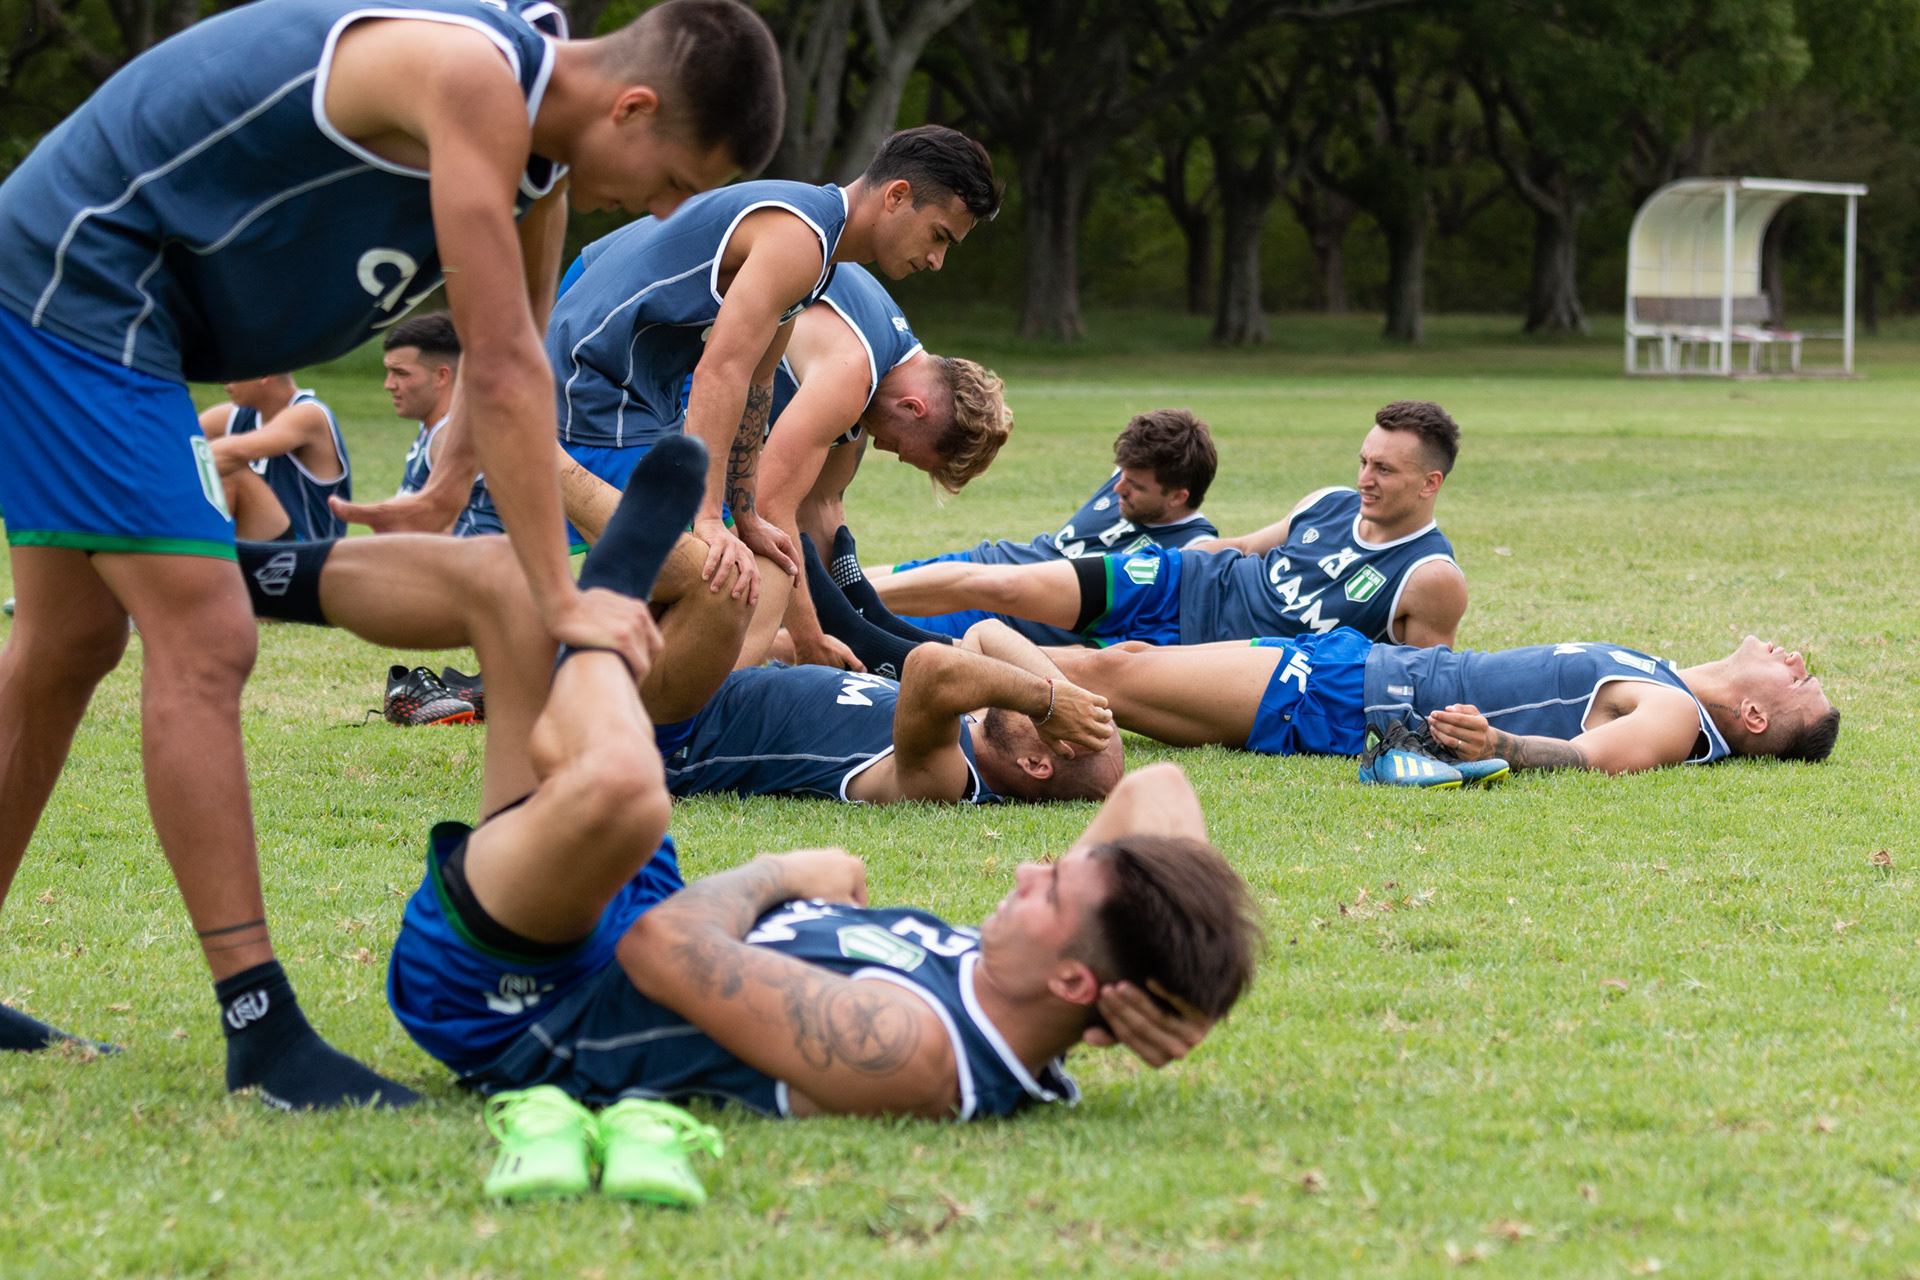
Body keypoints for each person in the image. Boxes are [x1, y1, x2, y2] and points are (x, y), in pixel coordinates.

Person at [0, 0, 783, 1106]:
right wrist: (560, 592)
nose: (655, 212)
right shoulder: (473, 79)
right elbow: (506, 366)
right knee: (203, 633)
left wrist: (451, 481)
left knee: (72, 637)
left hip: (137, 307)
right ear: (633, 104)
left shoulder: (543, 157)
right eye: (666, 180)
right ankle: (262, 1035)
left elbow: (513, 332)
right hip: (79, 276)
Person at [348, 126, 1003, 619]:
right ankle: (506, 588)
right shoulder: (800, 238)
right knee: (691, 566)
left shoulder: (819, 245)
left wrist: (742, 511)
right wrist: (709, 517)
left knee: (691, 561)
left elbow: (755, 386)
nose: (937, 260)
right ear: (896, 196)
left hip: (634, 379)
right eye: (940, 235)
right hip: (597, 368)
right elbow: (721, 370)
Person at [873, 400, 1470, 650]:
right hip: (1184, 579)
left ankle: (822, 639)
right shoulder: (1330, 502)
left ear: (1429, 483)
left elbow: (1415, 683)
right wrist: (1189, 553)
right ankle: (831, 598)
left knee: (1057, 664)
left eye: (1384, 470)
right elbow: (1235, 547)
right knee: (999, 584)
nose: (1365, 478)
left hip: (1207, 650)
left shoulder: (1430, 577)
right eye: (1364, 461)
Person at [1042, 628, 1842, 785]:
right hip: (1357, 665)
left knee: (1108, 676)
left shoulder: (1676, 716)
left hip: (1346, 698)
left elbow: (1593, 760)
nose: (1796, 660)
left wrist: (1502, 744)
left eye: (1799, 682)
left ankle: (930, 669)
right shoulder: (1668, 673)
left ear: (1757, 721)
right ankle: (930, 668)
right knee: (1125, 667)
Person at [748, 263, 1011, 669]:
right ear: (912, 408)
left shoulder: (886, 360)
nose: (884, 447)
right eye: (899, 446)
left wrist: (864, 613)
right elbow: (767, 509)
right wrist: (811, 639)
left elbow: (823, 511)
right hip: (646, 385)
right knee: (739, 585)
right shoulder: (853, 373)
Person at [659, 617, 1121, 805]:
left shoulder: (944, 777)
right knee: (763, 556)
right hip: (710, 678)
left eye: (1067, 727)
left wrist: (1049, 703)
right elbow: (987, 632)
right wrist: (1065, 694)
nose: (1059, 709)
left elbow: (931, 666)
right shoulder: (974, 718)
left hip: (674, 733)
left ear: (1036, 764)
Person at [875, 408, 1220, 648]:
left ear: (1178, 496)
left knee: (841, 621)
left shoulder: (1189, 556)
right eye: (1121, 474)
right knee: (840, 578)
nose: (1118, 488)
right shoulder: (1133, 477)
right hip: (970, 566)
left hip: (993, 620)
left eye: (1136, 486)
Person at [385, 313, 501, 537]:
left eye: (400, 373)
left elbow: (444, 532)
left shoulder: (447, 437)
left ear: (441, 376)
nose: (388, 384)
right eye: (388, 372)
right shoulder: (433, 429)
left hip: (457, 568)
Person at [198, 376, 351, 542]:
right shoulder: (232, 416)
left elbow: (236, 451)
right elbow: (174, 446)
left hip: (308, 556)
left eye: (234, 367)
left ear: (263, 374)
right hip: (265, 550)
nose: (223, 379)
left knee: (232, 473)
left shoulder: (309, 414)